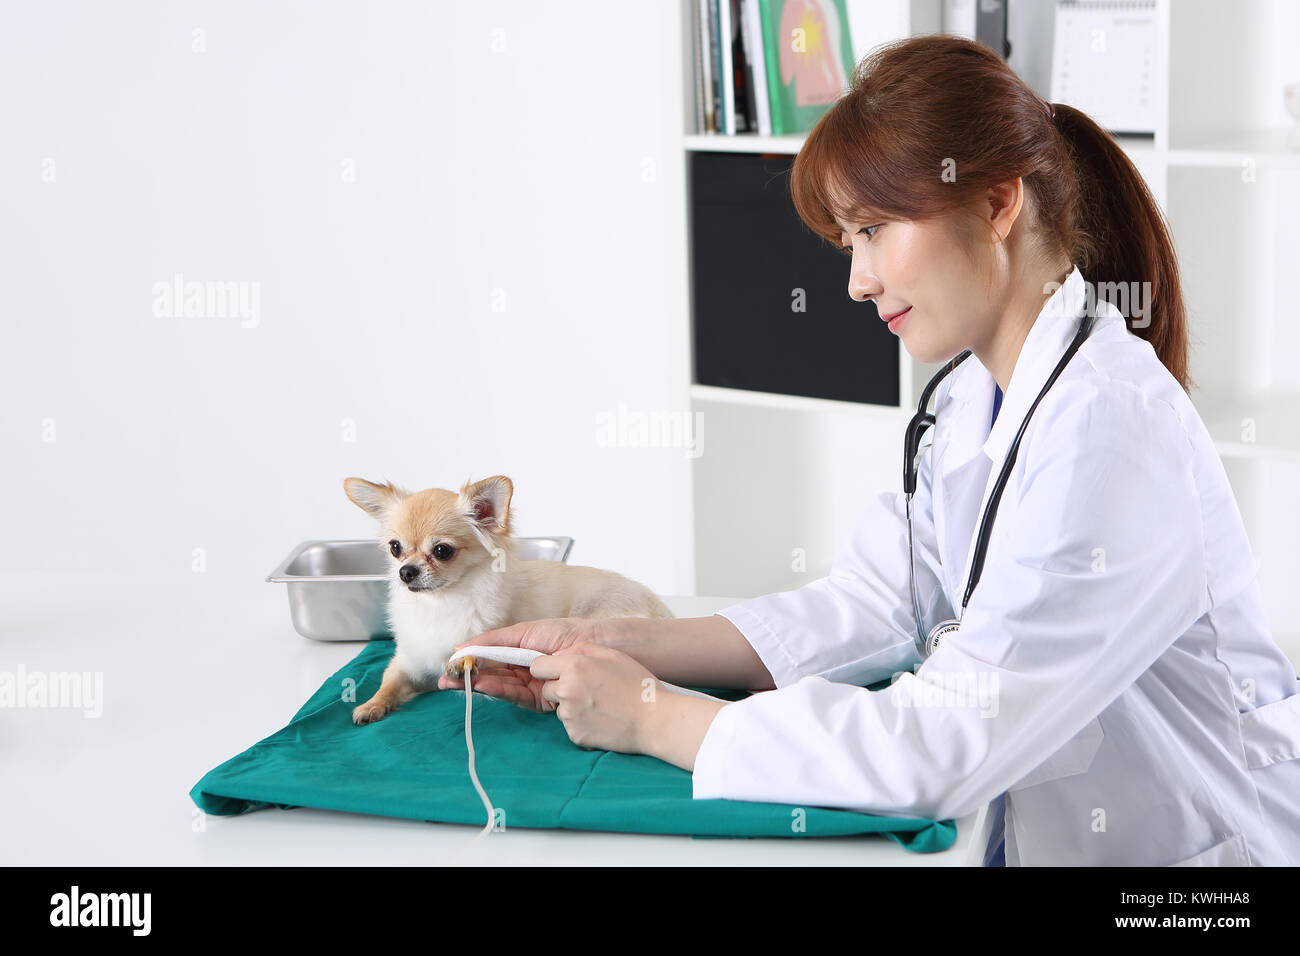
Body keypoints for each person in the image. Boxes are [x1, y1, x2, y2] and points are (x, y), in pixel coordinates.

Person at [440, 35, 1300, 866]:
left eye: (877, 229)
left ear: (997, 203)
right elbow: (881, 602)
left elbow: (950, 738)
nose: (857, 281)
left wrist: (657, 717)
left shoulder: (1111, 430)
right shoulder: (969, 397)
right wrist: (615, 644)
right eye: (850, 241)